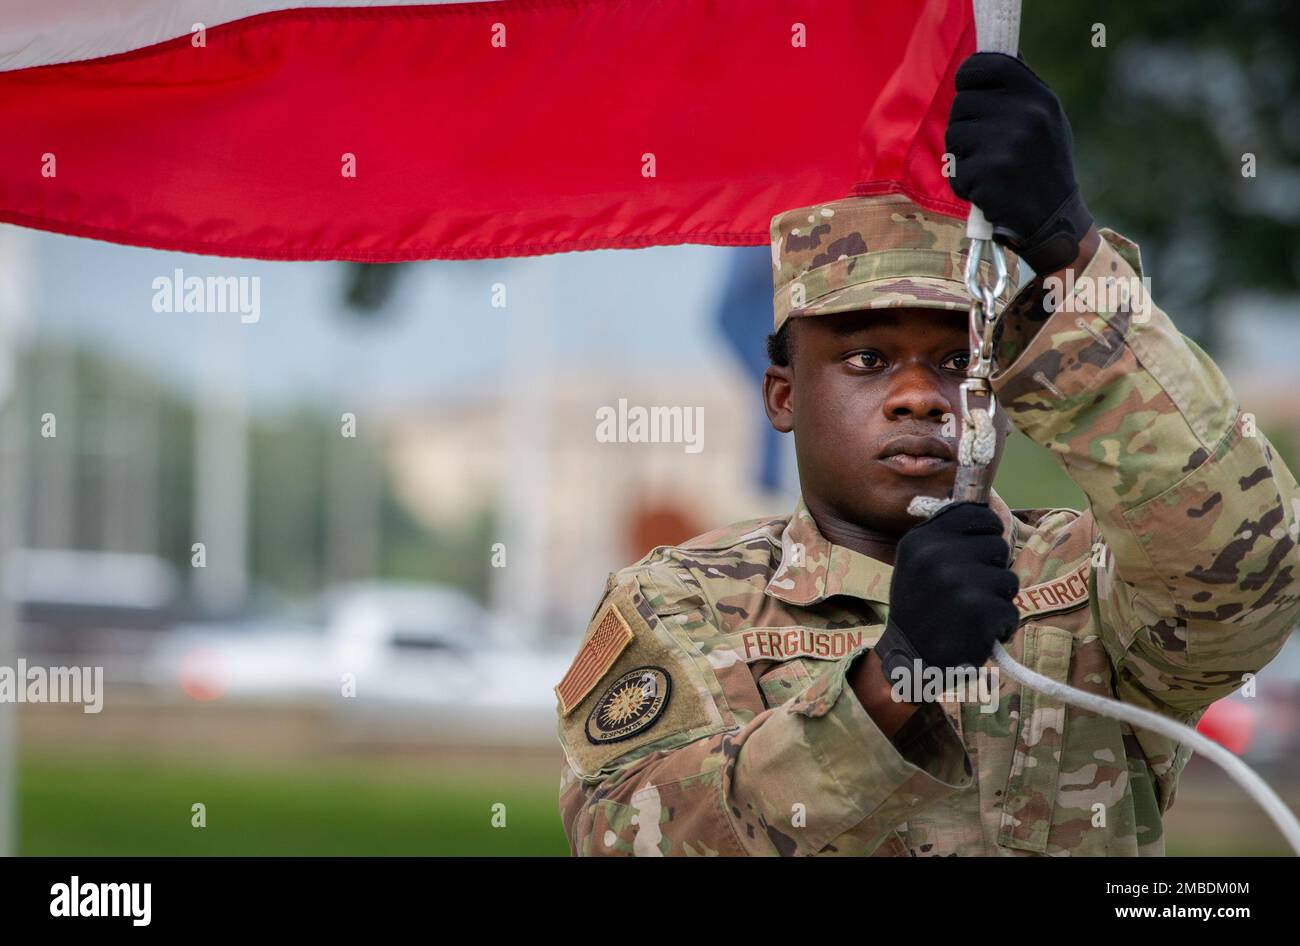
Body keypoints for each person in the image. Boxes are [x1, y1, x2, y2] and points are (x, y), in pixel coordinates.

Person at [552, 52, 1300, 856]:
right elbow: (633, 835)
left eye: (955, 361)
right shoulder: (682, 603)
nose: (919, 397)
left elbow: (1253, 573)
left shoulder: (1090, 587)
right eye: (867, 360)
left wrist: (1070, 255)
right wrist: (893, 679)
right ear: (782, 396)